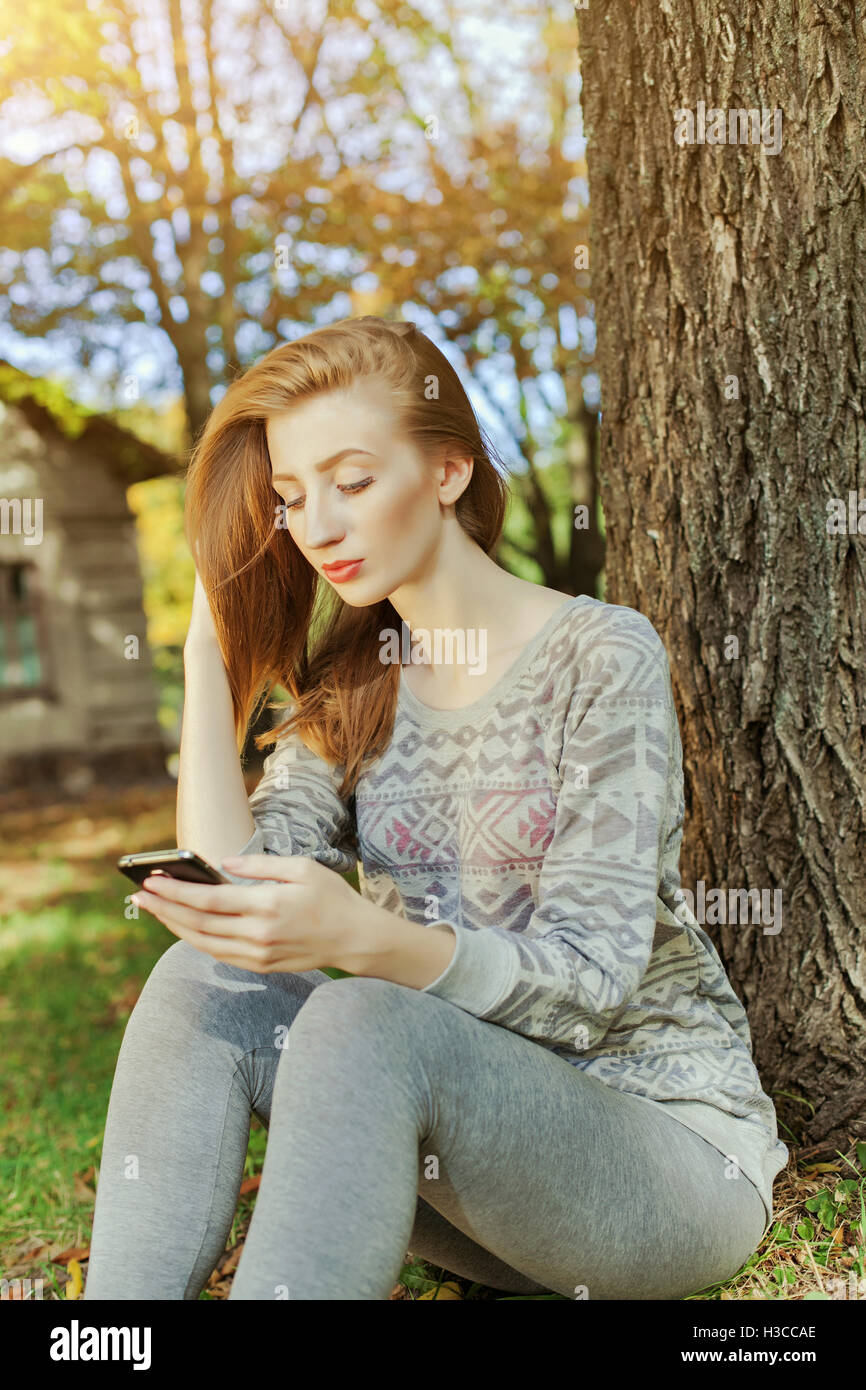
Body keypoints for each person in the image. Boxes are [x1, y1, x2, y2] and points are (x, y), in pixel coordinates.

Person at [83, 316, 788, 1301]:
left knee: (366, 1016)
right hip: (478, 1186)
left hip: (660, 1160)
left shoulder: (600, 653)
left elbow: (590, 983)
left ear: (447, 470)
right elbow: (236, 897)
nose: (317, 524)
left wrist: (367, 939)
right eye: (291, 497)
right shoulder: (353, 684)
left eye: (353, 480)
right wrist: (208, 650)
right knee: (202, 979)